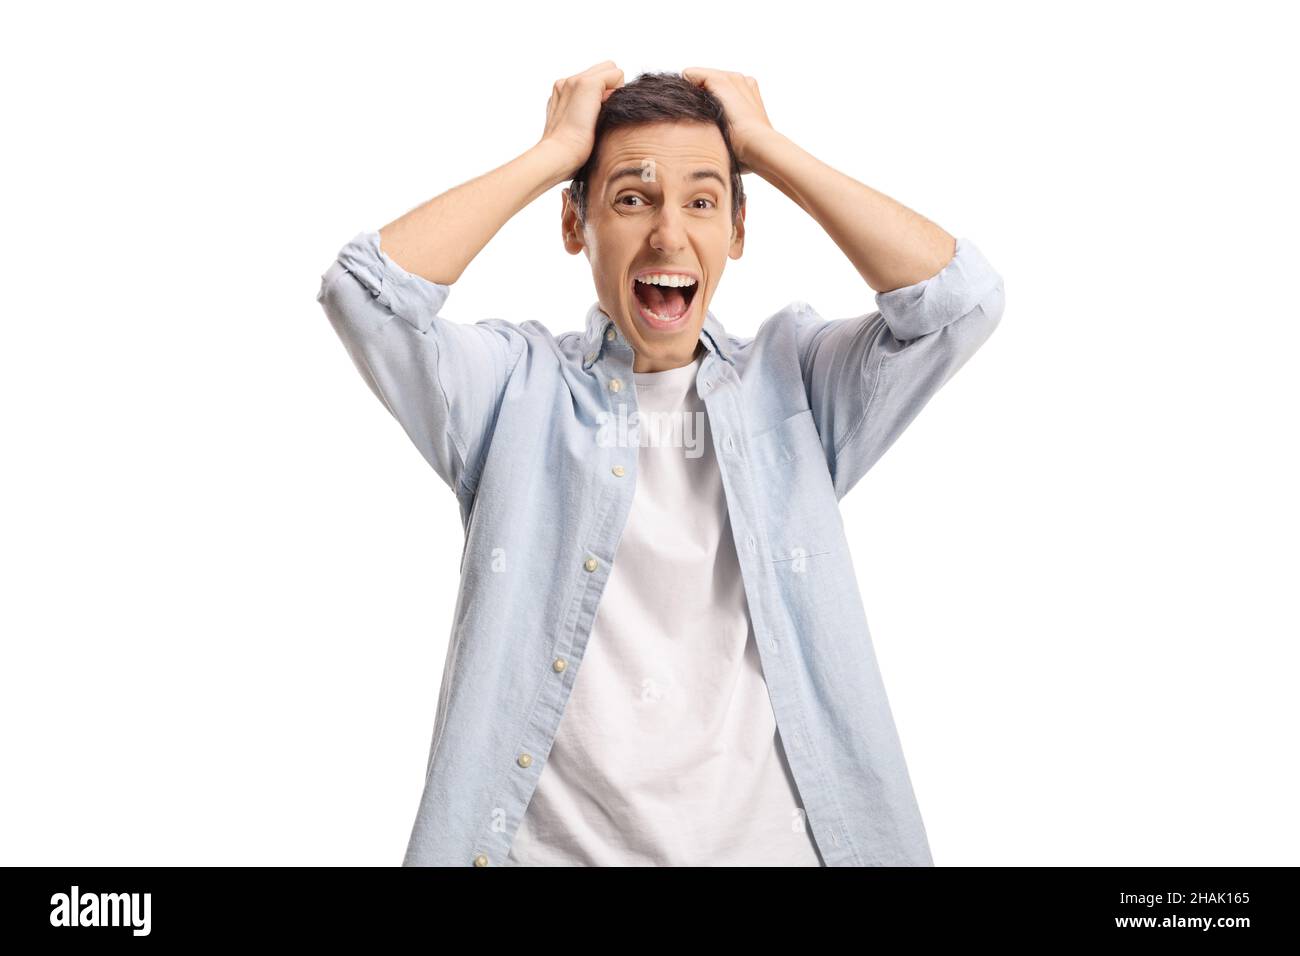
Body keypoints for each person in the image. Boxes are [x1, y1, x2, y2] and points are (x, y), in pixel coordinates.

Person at [314, 61, 1005, 866]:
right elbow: (361, 294)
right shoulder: (513, 390)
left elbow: (962, 302)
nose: (670, 234)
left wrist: (767, 148)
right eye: (632, 198)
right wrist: (554, 154)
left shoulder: (796, 384)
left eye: (704, 202)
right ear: (577, 226)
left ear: (738, 234)